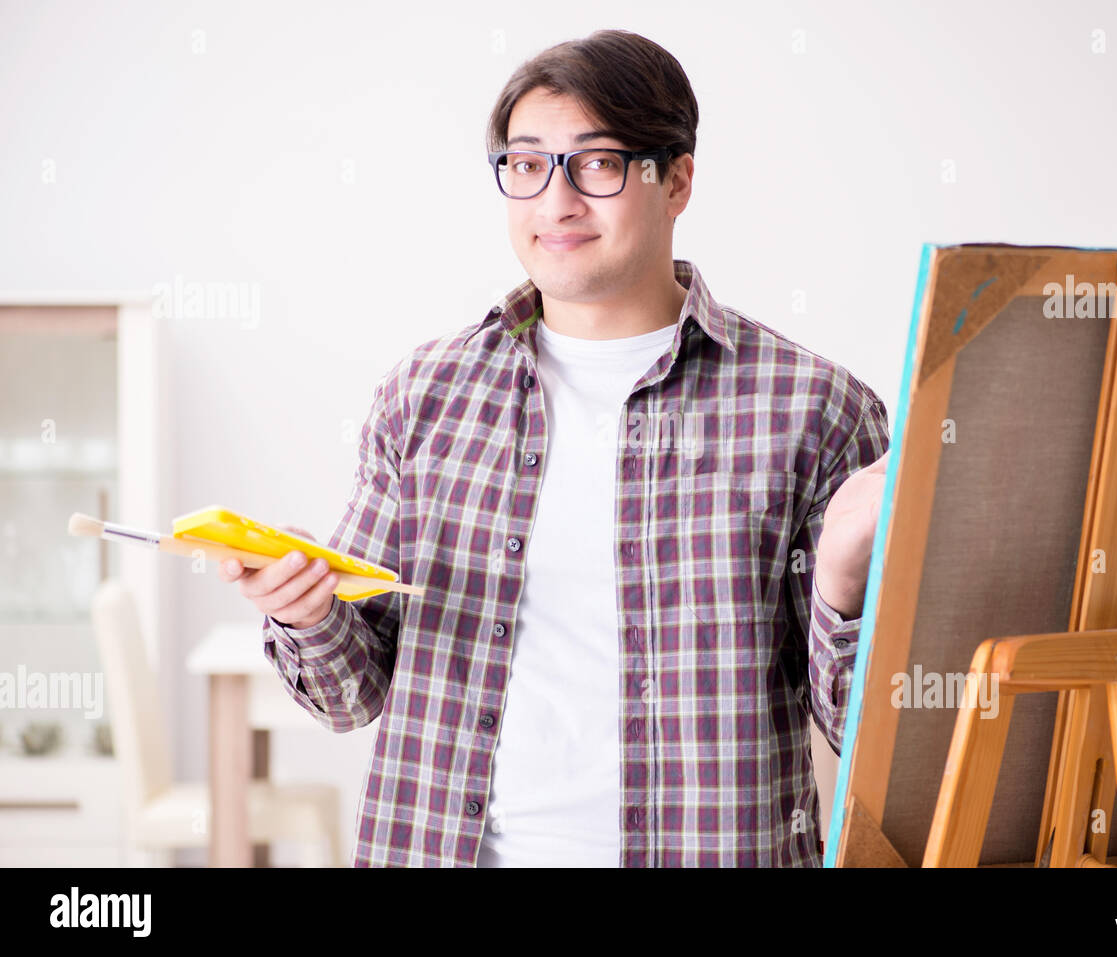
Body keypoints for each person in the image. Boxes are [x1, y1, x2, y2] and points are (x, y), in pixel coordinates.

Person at [219, 28, 889, 867]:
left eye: (598, 163)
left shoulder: (816, 409)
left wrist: (841, 582)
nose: (557, 202)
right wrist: (307, 610)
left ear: (676, 178)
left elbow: (876, 736)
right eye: (528, 164)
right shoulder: (423, 398)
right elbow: (353, 697)